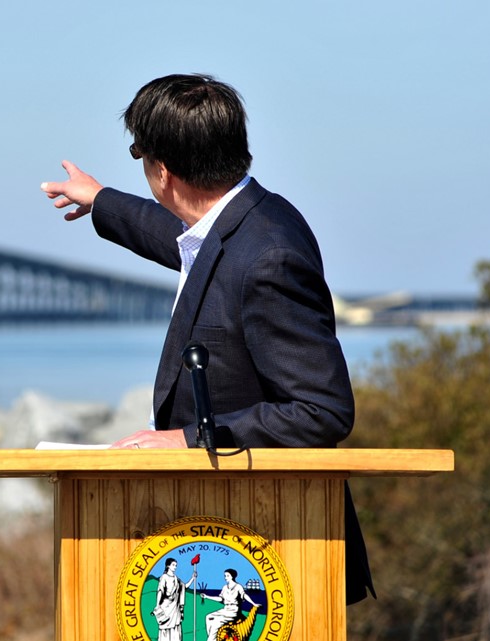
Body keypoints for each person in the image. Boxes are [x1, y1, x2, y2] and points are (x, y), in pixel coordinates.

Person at [40, 73, 374, 603]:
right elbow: (182, 240)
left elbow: (321, 411)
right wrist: (101, 199)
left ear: (164, 169)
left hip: (274, 553)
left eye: (139, 153)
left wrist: (187, 439)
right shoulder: (246, 219)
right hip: (233, 537)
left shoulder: (268, 256)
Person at [202, 569, 259, 640]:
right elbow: (221, 599)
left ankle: (211, 639)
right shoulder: (225, 588)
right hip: (225, 609)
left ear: (232, 576)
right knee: (208, 617)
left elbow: (244, 595)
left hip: (233, 611)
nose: (225, 577)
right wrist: (207, 596)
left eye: (227, 576)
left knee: (217, 622)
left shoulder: (238, 586)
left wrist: (253, 603)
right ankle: (213, 637)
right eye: (225, 576)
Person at [152, 558, 196, 641]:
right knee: (165, 626)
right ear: (168, 566)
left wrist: (192, 578)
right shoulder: (164, 577)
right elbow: (160, 591)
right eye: (173, 565)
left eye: (176, 565)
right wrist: (157, 605)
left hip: (175, 608)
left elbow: (184, 586)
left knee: (176, 626)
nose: (175, 567)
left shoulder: (177, 579)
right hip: (166, 607)